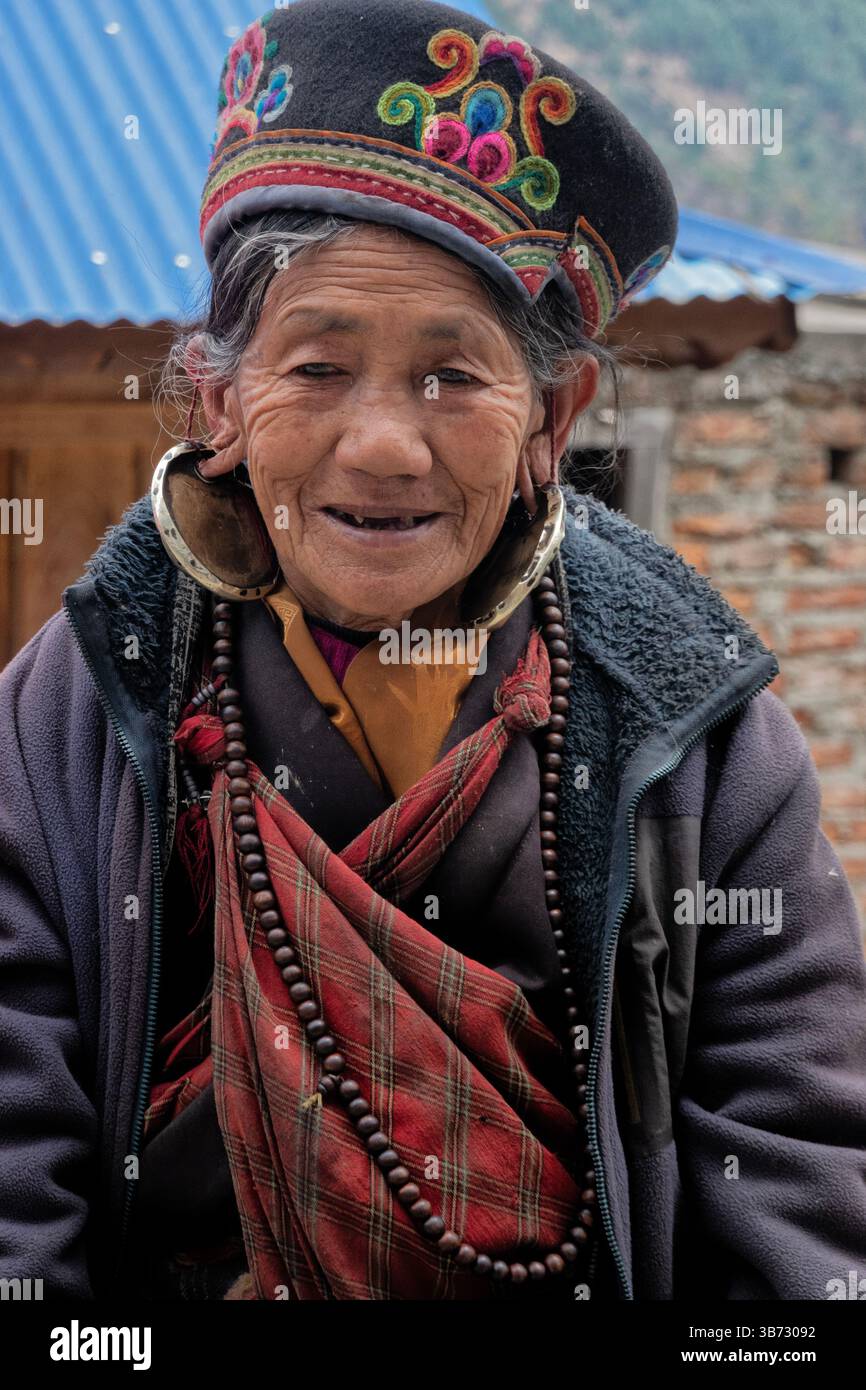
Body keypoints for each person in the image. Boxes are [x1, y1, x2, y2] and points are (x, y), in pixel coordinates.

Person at [1, 0, 865, 1302]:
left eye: (453, 377)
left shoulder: (695, 734)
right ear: (224, 399)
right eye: (318, 367)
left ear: (551, 413)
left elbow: (798, 1196)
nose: (385, 445)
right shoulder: (78, 707)